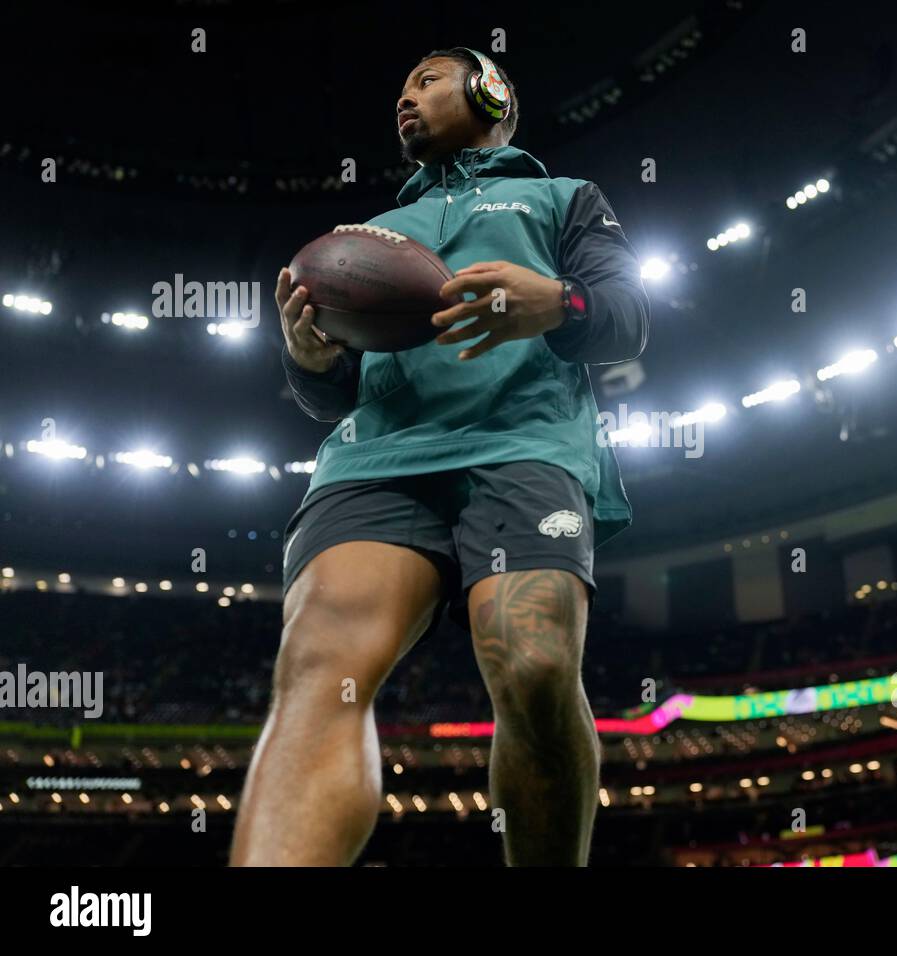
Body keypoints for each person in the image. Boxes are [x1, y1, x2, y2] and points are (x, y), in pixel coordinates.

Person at [230, 47, 649, 866]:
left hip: (525, 443)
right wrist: (308, 360)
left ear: (491, 91)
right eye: (400, 89)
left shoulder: (564, 200)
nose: (404, 98)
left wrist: (556, 303)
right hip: (377, 457)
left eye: (425, 80)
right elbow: (333, 395)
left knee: (531, 667)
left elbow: (629, 319)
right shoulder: (372, 235)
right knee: (319, 666)